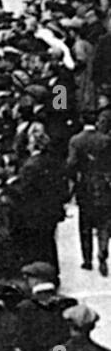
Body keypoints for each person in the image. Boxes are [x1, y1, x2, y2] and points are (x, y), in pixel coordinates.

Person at [66, 109, 111, 275]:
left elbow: (71, 164)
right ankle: (103, 250)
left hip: (85, 185)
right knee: (104, 221)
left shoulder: (76, 140)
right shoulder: (106, 140)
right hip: (104, 184)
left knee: (85, 222)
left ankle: (87, 259)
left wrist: (73, 180)